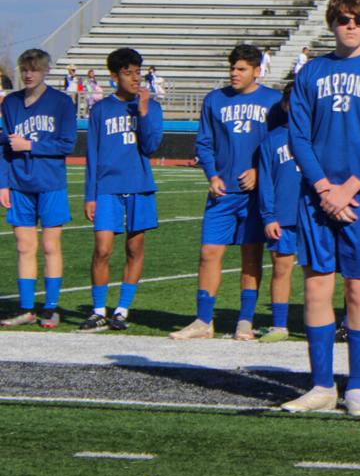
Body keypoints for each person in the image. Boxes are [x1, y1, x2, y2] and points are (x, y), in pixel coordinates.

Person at [279, 0, 360, 415]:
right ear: (332, 23)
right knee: (317, 286)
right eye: (343, 19)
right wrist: (323, 189)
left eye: (359, 20)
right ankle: (321, 386)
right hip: (318, 196)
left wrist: (348, 189)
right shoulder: (312, 72)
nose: (351, 27)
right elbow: (298, 135)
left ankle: (356, 388)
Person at [172, 43, 282, 340]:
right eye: (232, 67)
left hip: (255, 195)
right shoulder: (214, 100)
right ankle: (203, 320)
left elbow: (280, 143)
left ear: (257, 71)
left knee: (251, 255)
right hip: (222, 193)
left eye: (241, 69)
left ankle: (245, 320)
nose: (234, 73)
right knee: (209, 253)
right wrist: (212, 175)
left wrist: (259, 170)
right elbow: (204, 142)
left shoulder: (273, 101)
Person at [77, 48, 164, 332]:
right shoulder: (101, 109)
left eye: (138, 72)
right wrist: (90, 196)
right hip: (107, 188)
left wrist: (143, 112)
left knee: (134, 248)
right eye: (128, 73)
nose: (135, 78)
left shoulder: (152, 107)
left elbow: (151, 146)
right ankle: (98, 310)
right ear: (115, 76)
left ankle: (122, 310)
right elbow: (93, 154)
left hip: (139, 186)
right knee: (102, 249)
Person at [2, 49, 77, 329]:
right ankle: (26, 309)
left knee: (49, 245)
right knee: (24, 246)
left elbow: (67, 144)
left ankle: (51, 307)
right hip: (19, 184)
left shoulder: (61, 102)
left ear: (46, 70)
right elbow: (4, 146)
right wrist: (3, 183)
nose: (28, 74)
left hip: (50, 183)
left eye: (34, 69)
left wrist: (31, 145)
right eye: (24, 69)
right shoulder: (11, 103)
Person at [252, 80, 301, 343]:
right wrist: (269, 216)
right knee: (281, 268)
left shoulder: (322, 135)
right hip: (283, 216)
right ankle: (279, 325)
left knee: (319, 272)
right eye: (293, 101)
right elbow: (266, 182)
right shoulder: (272, 140)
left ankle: (319, 322)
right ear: (285, 105)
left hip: (314, 216)